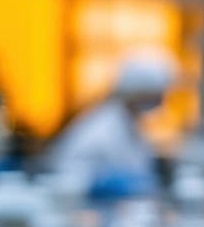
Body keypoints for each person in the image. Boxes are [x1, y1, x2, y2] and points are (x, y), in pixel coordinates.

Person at [48, 50, 177, 198]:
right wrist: (102, 185)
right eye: (155, 95)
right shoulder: (101, 128)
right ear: (136, 92)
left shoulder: (128, 123)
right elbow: (69, 180)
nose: (160, 102)